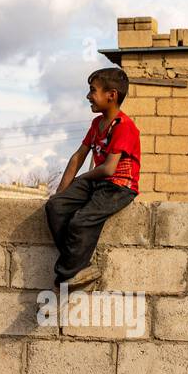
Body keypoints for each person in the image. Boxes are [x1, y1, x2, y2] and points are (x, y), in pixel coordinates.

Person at [44, 66, 141, 291]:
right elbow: (78, 157)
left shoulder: (125, 127)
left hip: (119, 186)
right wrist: (62, 194)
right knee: (55, 208)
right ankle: (79, 268)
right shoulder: (97, 124)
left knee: (80, 220)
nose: (88, 96)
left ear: (111, 95)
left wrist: (82, 179)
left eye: (93, 91)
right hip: (98, 182)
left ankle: (66, 278)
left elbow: (108, 169)